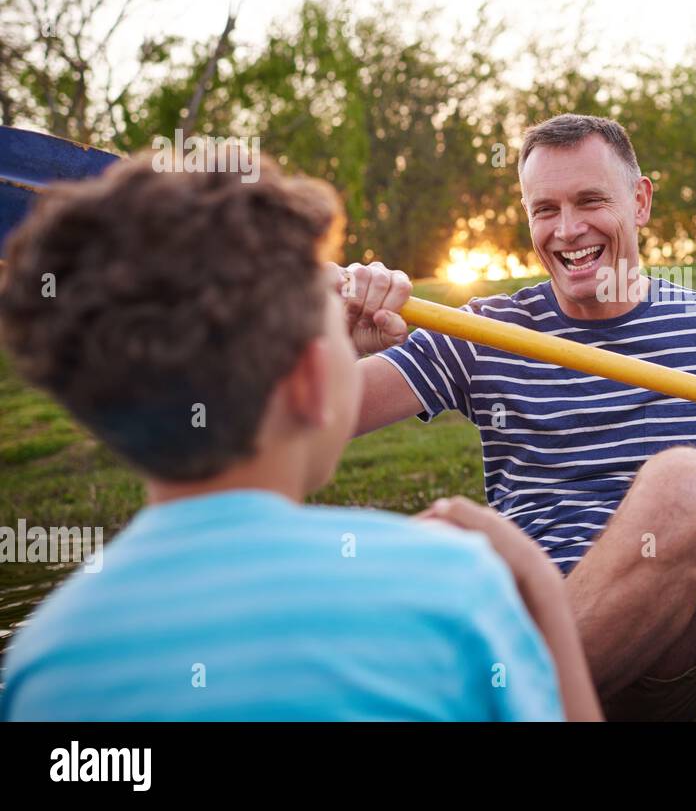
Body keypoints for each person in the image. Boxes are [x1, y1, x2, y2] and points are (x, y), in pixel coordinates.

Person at [0, 152, 600, 721]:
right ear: (313, 381)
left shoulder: (46, 660)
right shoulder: (451, 584)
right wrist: (541, 590)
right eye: (334, 338)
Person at [345, 114, 696, 721]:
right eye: (544, 210)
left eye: (589, 201)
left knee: (692, 484)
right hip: (515, 628)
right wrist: (334, 339)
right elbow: (304, 421)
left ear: (639, 201)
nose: (567, 230)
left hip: (665, 670)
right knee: (444, 531)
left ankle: (510, 703)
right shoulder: (480, 331)